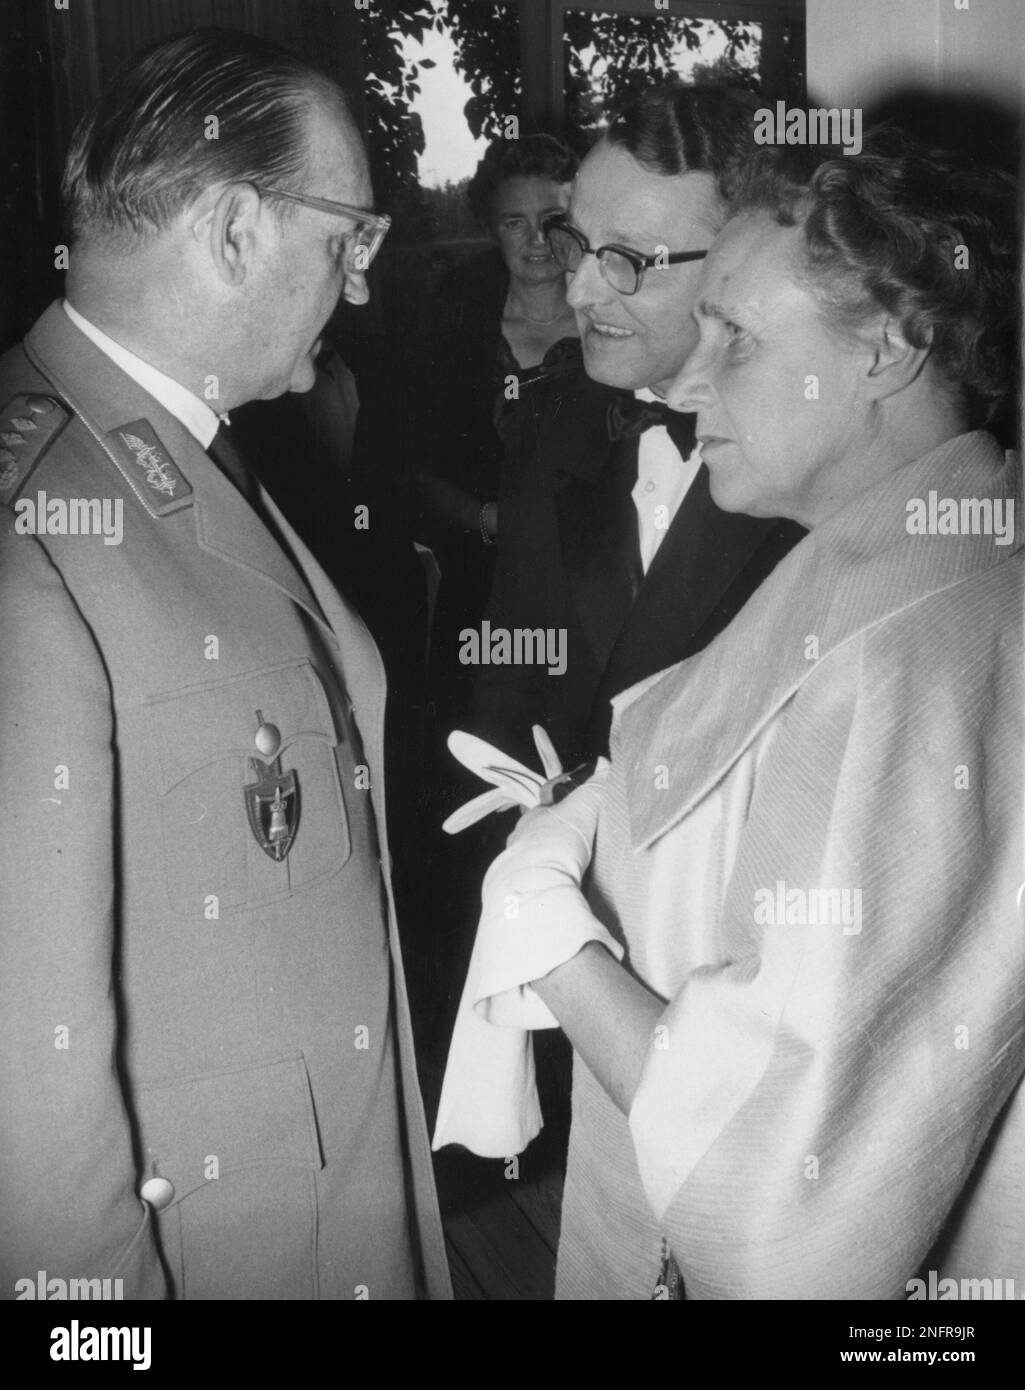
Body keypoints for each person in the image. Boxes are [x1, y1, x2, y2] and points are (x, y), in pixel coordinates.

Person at [435, 130, 1023, 1299]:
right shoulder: (934, 549)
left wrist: (550, 940)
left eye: (736, 338)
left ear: (891, 349)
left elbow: (773, 1205)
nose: (688, 380)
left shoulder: (896, 658)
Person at [0, 29, 450, 1300]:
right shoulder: (36, 526)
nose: (360, 285)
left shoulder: (184, 446)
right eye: (348, 240)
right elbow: (20, 1073)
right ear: (238, 229)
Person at [473, 83, 806, 770]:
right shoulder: (549, 420)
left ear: (742, 259)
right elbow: (507, 695)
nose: (577, 292)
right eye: (576, 245)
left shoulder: (813, 459)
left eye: (626, 260)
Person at [413, 133, 581, 739]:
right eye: (516, 222)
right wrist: (489, 521)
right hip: (482, 583)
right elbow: (416, 466)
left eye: (554, 220)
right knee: (480, 749)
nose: (537, 240)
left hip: (591, 581)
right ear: (491, 226)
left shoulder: (614, 318)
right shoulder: (456, 320)